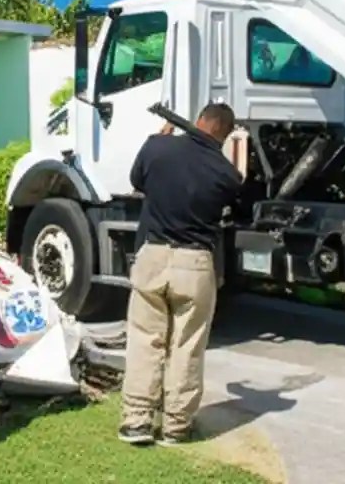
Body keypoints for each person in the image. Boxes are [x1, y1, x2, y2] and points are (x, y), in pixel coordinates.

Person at [118, 102, 242, 447]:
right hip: (196, 265)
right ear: (226, 134)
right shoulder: (228, 174)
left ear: (199, 120)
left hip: (153, 256)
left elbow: (137, 180)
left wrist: (159, 139)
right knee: (186, 346)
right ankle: (176, 427)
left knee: (145, 340)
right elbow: (234, 204)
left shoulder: (157, 147)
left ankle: (137, 421)